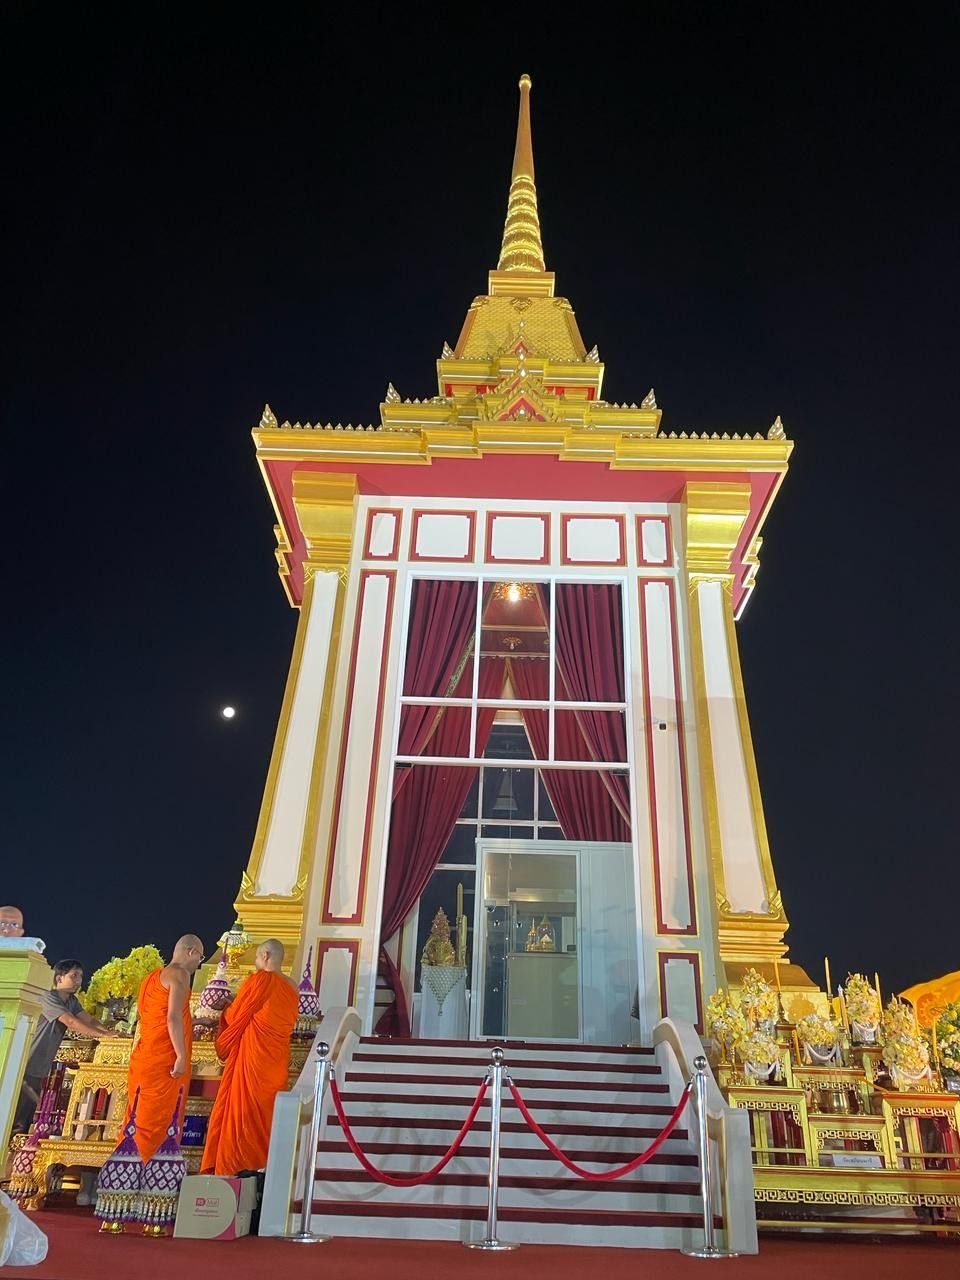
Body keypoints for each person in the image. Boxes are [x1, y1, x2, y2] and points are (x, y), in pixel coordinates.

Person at [201, 938, 298, 1175]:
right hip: (276, 1065)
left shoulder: (260, 980)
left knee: (242, 1119)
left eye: (256, 957)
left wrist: (225, 1009)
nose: (255, 963)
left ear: (265, 956)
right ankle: (264, 1170)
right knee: (266, 1119)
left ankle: (235, 1171)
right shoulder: (293, 988)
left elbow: (235, 1016)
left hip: (253, 1064)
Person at [118, 934, 204, 1162]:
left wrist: (195, 1022)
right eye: (200, 958)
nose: (198, 964)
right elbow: (172, 1019)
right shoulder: (181, 974)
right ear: (191, 952)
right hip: (164, 1061)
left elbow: (155, 1016)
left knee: (137, 1120)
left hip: (145, 1056)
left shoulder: (151, 978)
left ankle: (124, 1176)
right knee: (159, 1122)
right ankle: (151, 1178)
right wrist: (181, 1057)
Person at [13, 959, 117, 1133]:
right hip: (26, 1062)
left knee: (25, 1118)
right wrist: (104, 1035)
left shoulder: (71, 1001)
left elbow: (88, 1019)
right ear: (59, 978)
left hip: (39, 1067)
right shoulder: (48, 997)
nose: (78, 981)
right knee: (16, 1116)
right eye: (74, 976)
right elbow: (71, 1022)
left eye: (80, 977)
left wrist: (110, 1033)